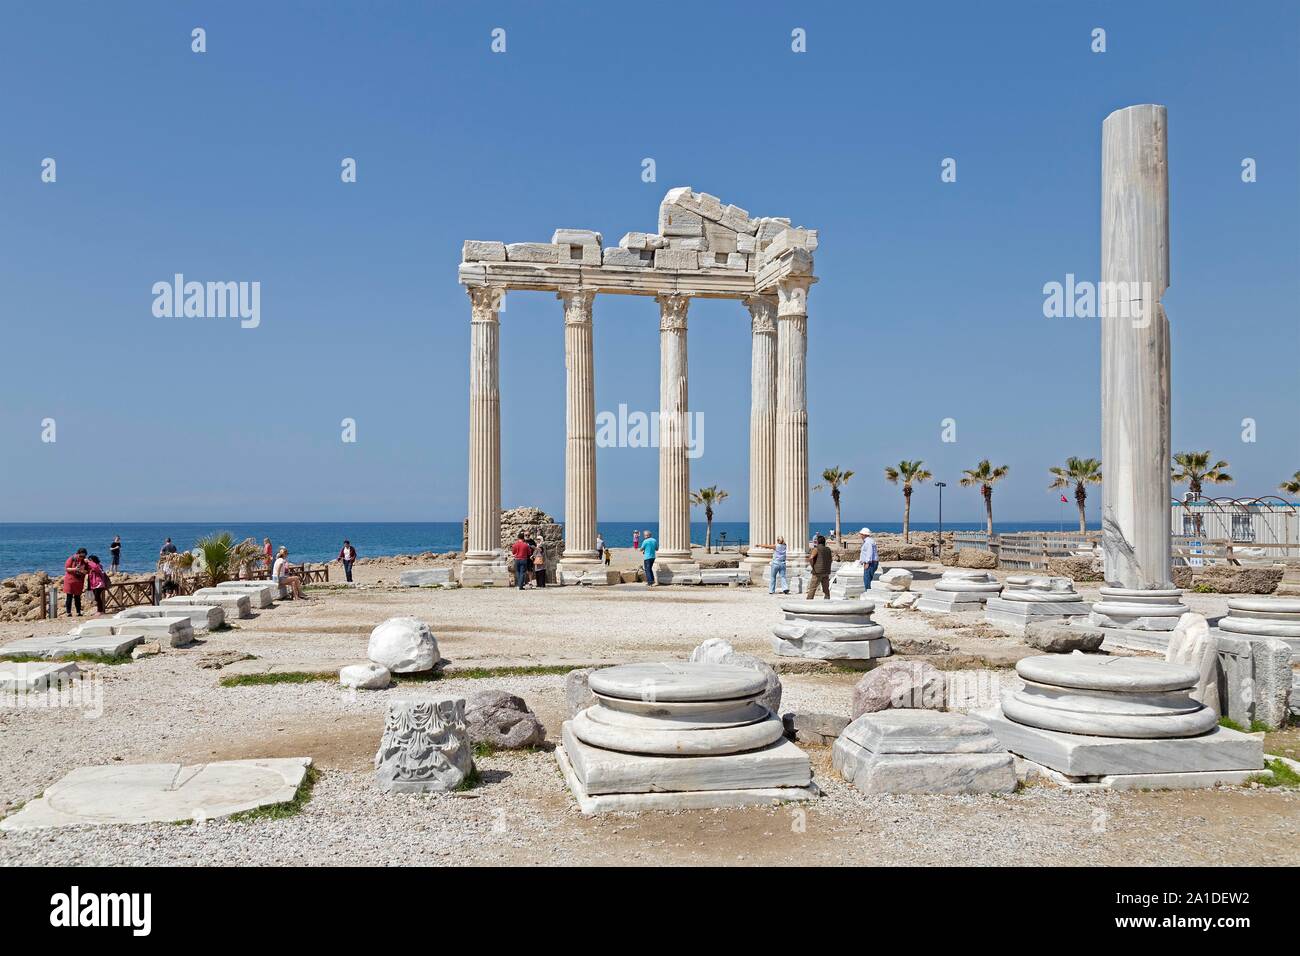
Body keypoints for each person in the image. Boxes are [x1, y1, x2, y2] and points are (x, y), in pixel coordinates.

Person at [806, 534, 833, 600]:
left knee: (812, 588)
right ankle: (827, 601)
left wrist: (813, 567)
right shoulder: (828, 549)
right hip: (826, 571)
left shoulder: (816, 549)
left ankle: (808, 602)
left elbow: (811, 558)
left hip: (817, 572)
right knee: (826, 589)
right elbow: (831, 560)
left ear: (817, 542)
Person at [62, 548, 88, 617]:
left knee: (78, 597)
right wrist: (75, 569)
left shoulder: (84, 562)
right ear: (77, 554)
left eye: (84, 556)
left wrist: (83, 570)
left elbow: (87, 571)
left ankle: (78, 612)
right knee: (69, 596)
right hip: (70, 581)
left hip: (79, 581)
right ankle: (68, 612)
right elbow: (67, 568)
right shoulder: (72, 559)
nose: (82, 558)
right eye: (81, 556)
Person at [858, 527, 879, 591]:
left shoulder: (868, 542)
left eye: (861, 534)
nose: (860, 535)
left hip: (870, 563)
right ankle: (868, 592)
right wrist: (862, 561)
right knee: (868, 578)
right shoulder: (869, 541)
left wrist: (867, 562)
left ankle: (868, 592)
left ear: (864, 535)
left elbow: (869, 552)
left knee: (867, 579)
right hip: (872, 562)